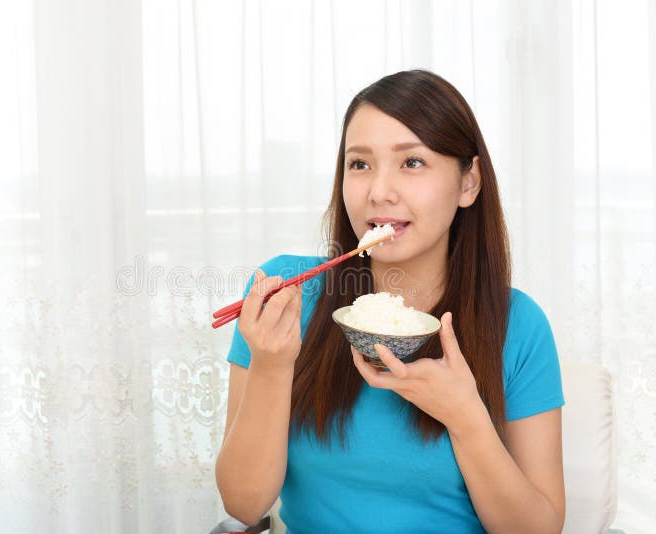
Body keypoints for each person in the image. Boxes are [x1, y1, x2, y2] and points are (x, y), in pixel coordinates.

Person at [215, 70, 565, 533]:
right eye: (359, 164)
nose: (379, 192)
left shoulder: (518, 326)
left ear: (468, 183)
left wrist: (465, 418)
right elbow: (243, 505)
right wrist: (271, 366)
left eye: (412, 162)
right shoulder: (288, 295)